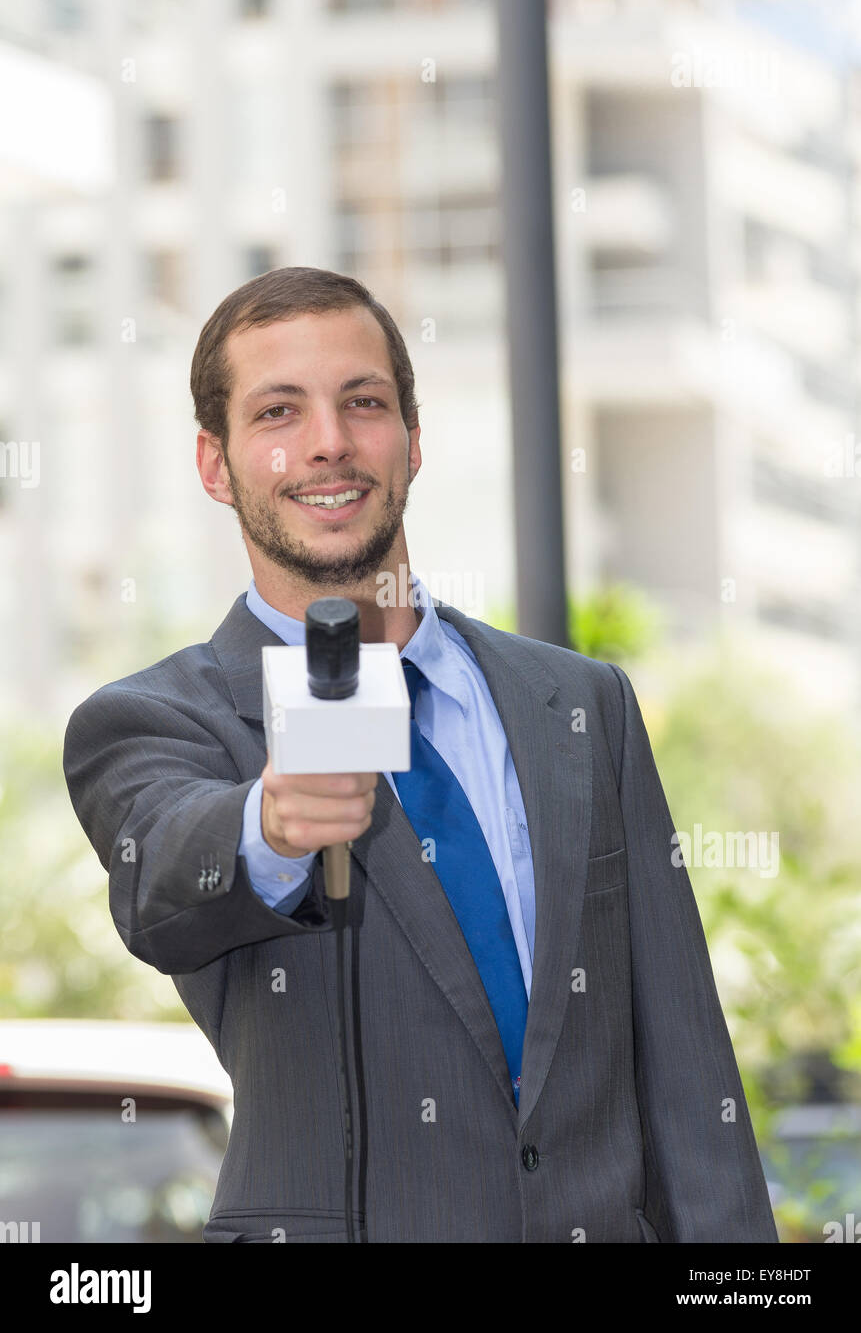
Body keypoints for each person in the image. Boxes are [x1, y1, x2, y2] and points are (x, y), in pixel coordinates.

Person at [63, 266, 779, 1243]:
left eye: (364, 402)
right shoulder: (155, 719)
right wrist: (269, 824)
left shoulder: (579, 703)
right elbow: (163, 886)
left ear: (412, 437)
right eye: (279, 410)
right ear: (215, 463)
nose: (329, 441)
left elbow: (688, 1065)